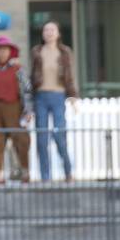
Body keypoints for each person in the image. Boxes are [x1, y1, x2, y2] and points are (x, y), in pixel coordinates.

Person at [0, 36, 32, 185]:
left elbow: (27, 90)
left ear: (10, 52)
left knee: (21, 141)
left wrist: (27, 110)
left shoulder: (18, 70)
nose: (3, 53)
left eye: (5, 50)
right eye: (0, 50)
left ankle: (25, 172)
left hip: (14, 108)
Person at [30, 22, 78, 182]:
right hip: (40, 97)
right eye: (46, 29)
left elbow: (70, 76)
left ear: (58, 33)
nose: (49, 32)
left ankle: (68, 172)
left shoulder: (65, 52)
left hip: (59, 96)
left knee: (59, 135)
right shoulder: (37, 52)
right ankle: (45, 177)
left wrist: (73, 96)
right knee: (42, 138)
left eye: (52, 30)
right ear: (42, 33)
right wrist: (29, 104)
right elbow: (32, 77)